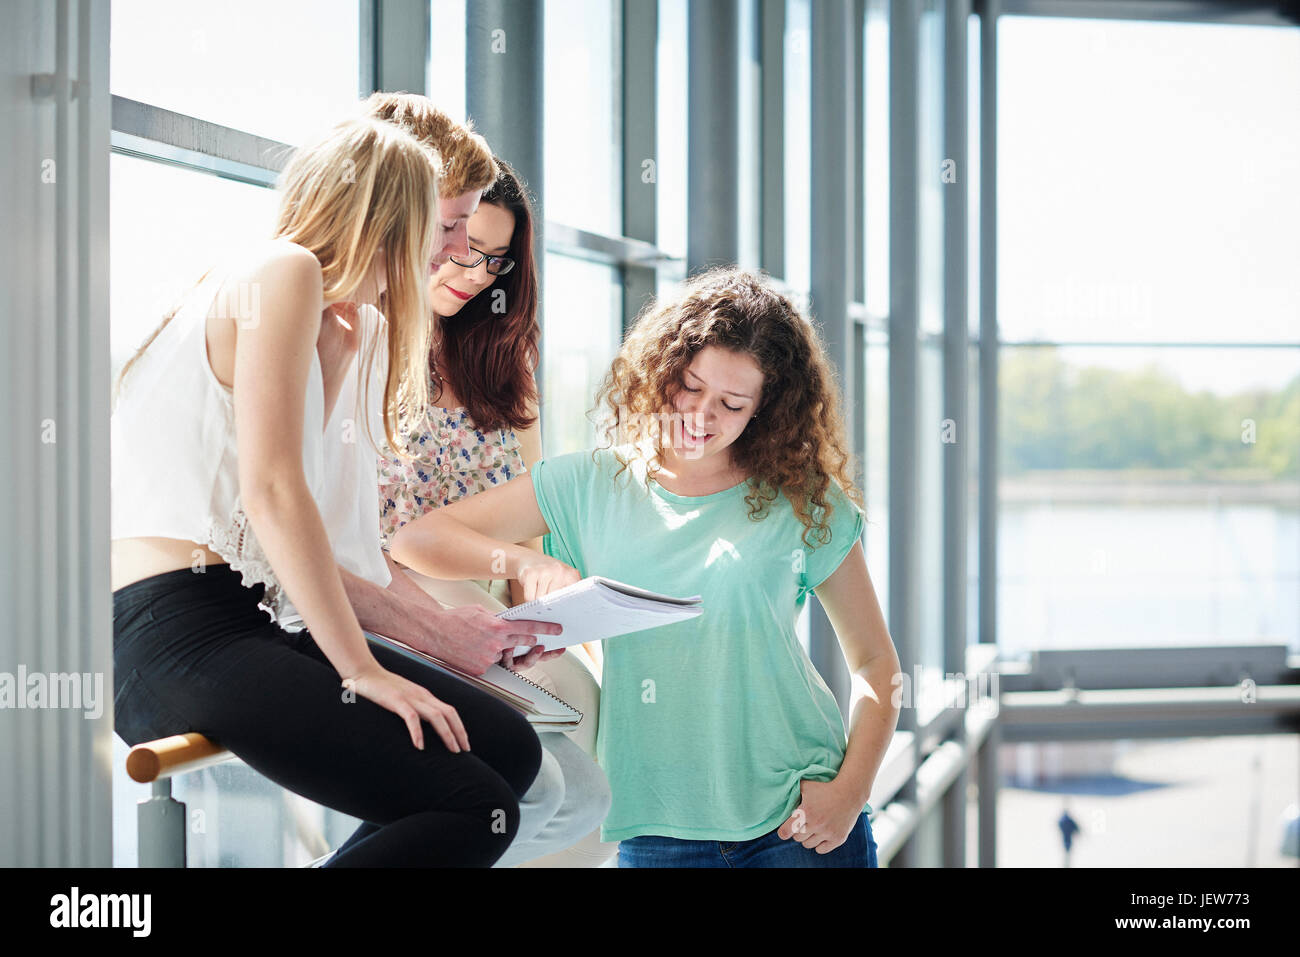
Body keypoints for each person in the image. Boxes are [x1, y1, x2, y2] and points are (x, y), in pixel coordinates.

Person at [110, 113, 553, 867]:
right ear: (391, 214)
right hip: (172, 629)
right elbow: (275, 494)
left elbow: (311, 526)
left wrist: (433, 638)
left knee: (509, 749)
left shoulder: (339, 324)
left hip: (245, 619)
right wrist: (360, 669)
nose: (457, 254)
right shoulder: (281, 270)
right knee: (477, 806)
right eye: (445, 225)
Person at [390, 267, 901, 867]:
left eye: (732, 404)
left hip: (796, 820)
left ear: (766, 411)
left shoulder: (802, 500)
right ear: (663, 368)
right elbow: (416, 540)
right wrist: (527, 562)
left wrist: (850, 793)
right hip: (653, 826)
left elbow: (875, 664)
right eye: (690, 386)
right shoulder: (588, 484)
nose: (701, 415)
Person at [327, 95, 611, 867]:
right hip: (384, 604)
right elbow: (356, 536)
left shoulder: (502, 368)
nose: (471, 270)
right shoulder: (360, 344)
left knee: (585, 727)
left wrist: (545, 592)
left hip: (484, 611)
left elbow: (531, 515)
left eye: (494, 259)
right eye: (460, 244)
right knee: (544, 780)